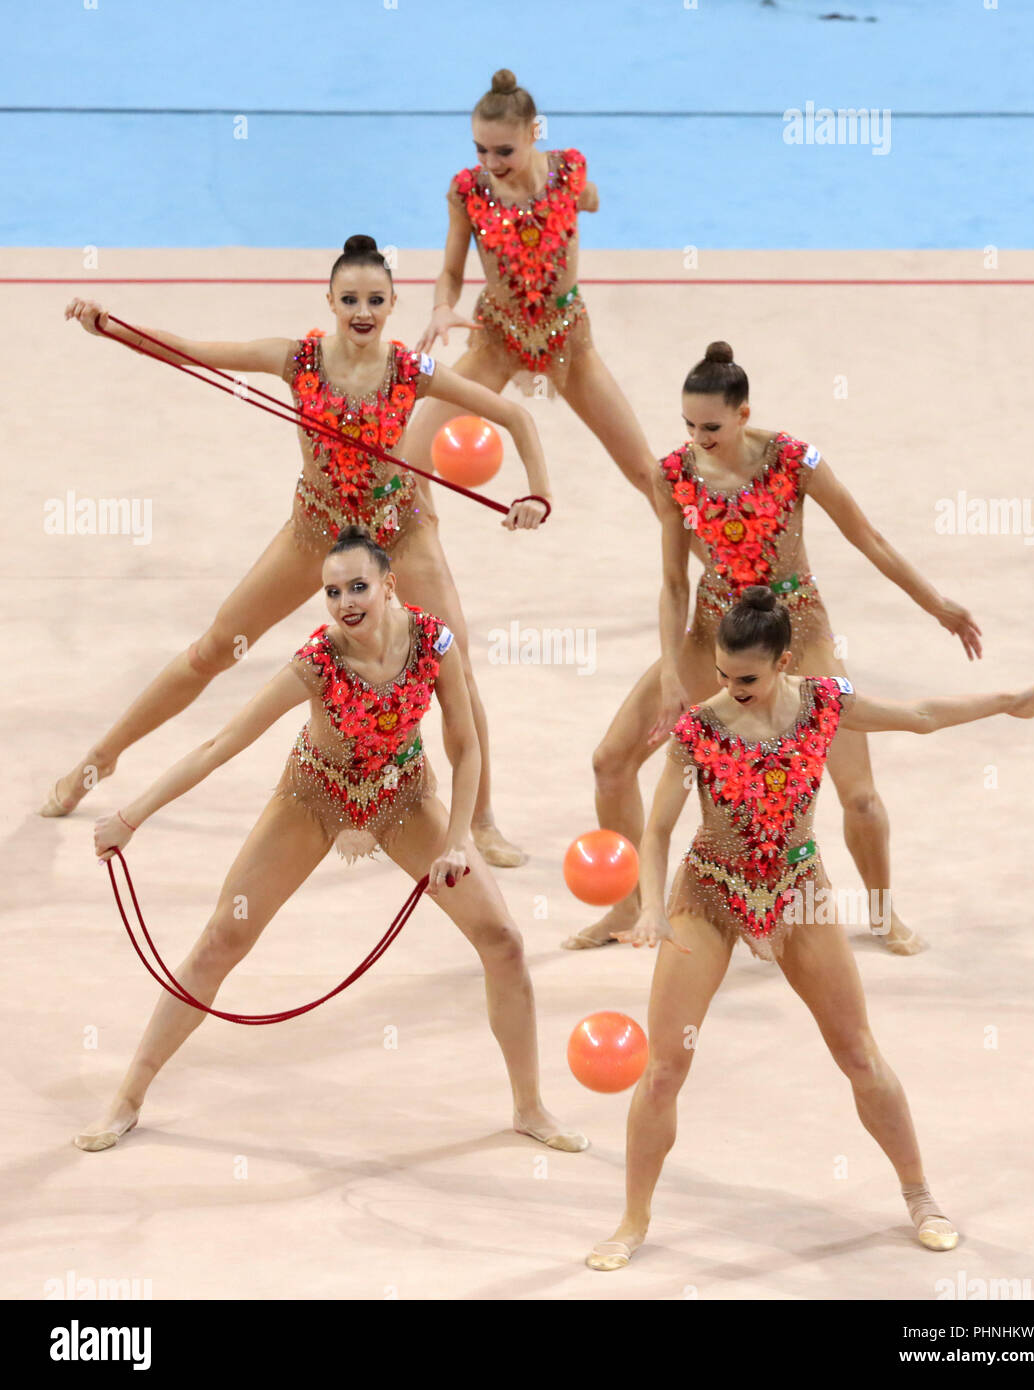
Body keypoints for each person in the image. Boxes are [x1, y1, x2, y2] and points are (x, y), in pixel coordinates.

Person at [585, 586, 1034, 1269]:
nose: (729, 689)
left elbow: (922, 714)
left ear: (783, 662)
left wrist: (1004, 702)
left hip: (796, 892)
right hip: (711, 891)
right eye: (722, 674)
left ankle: (920, 1194)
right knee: (663, 1070)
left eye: (745, 678)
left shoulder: (825, 703)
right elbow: (658, 829)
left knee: (858, 1053)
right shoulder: (700, 727)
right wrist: (652, 906)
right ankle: (632, 1221)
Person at [41, 235, 552, 868]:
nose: (361, 311)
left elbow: (517, 418)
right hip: (315, 532)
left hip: (397, 534)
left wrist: (538, 495)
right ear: (329, 301)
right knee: (212, 650)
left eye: (374, 300)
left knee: (460, 665)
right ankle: (101, 757)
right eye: (349, 300)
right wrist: (112, 327)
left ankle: (481, 821)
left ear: (393, 304)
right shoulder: (298, 360)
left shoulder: (410, 372)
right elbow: (196, 352)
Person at [76, 527, 586, 1156]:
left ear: (388, 585)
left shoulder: (433, 640)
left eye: (358, 587)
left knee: (504, 940)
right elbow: (219, 745)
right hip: (314, 798)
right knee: (222, 938)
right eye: (333, 591)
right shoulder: (317, 663)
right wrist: (132, 816)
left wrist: (457, 841)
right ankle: (127, 1096)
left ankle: (530, 1107)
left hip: (404, 798)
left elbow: (466, 744)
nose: (346, 601)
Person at [567, 340, 984, 955]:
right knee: (611, 761)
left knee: (861, 795)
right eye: (687, 424)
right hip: (715, 631)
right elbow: (676, 582)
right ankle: (627, 905)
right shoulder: (674, 474)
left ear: (742, 413)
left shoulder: (794, 459)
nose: (697, 437)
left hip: (799, 631)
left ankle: (882, 913)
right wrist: (669, 677)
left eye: (711, 425)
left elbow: (867, 536)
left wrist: (937, 604)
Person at [400, 68, 659, 513]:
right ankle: (411, 565)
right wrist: (443, 305)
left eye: (504, 150)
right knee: (408, 463)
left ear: (534, 132)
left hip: (569, 339)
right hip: (498, 338)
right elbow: (452, 271)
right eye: (480, 149)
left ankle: (724, 576)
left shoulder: (569, 173)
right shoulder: (469, 192)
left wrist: (587, 198)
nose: (491, 162)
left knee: (644, 472)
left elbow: (589, 197)